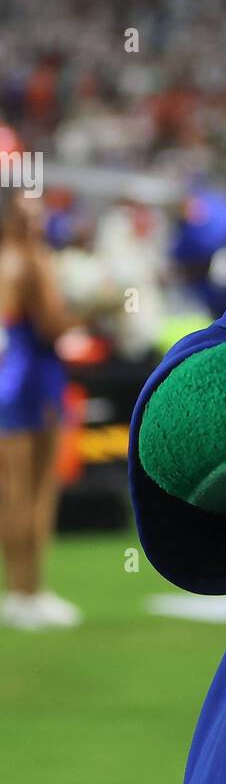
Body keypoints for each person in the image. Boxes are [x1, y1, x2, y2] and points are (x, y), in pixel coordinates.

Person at [0, 188, 81, 629]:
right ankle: (34, 592)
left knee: (12, 491)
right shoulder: (33, 259)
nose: (39, 219)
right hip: (37, 376)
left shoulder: (5, 257)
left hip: (8, 374)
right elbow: (52, 325)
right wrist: (94, 309)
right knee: (37, 490)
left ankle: (16, 592)